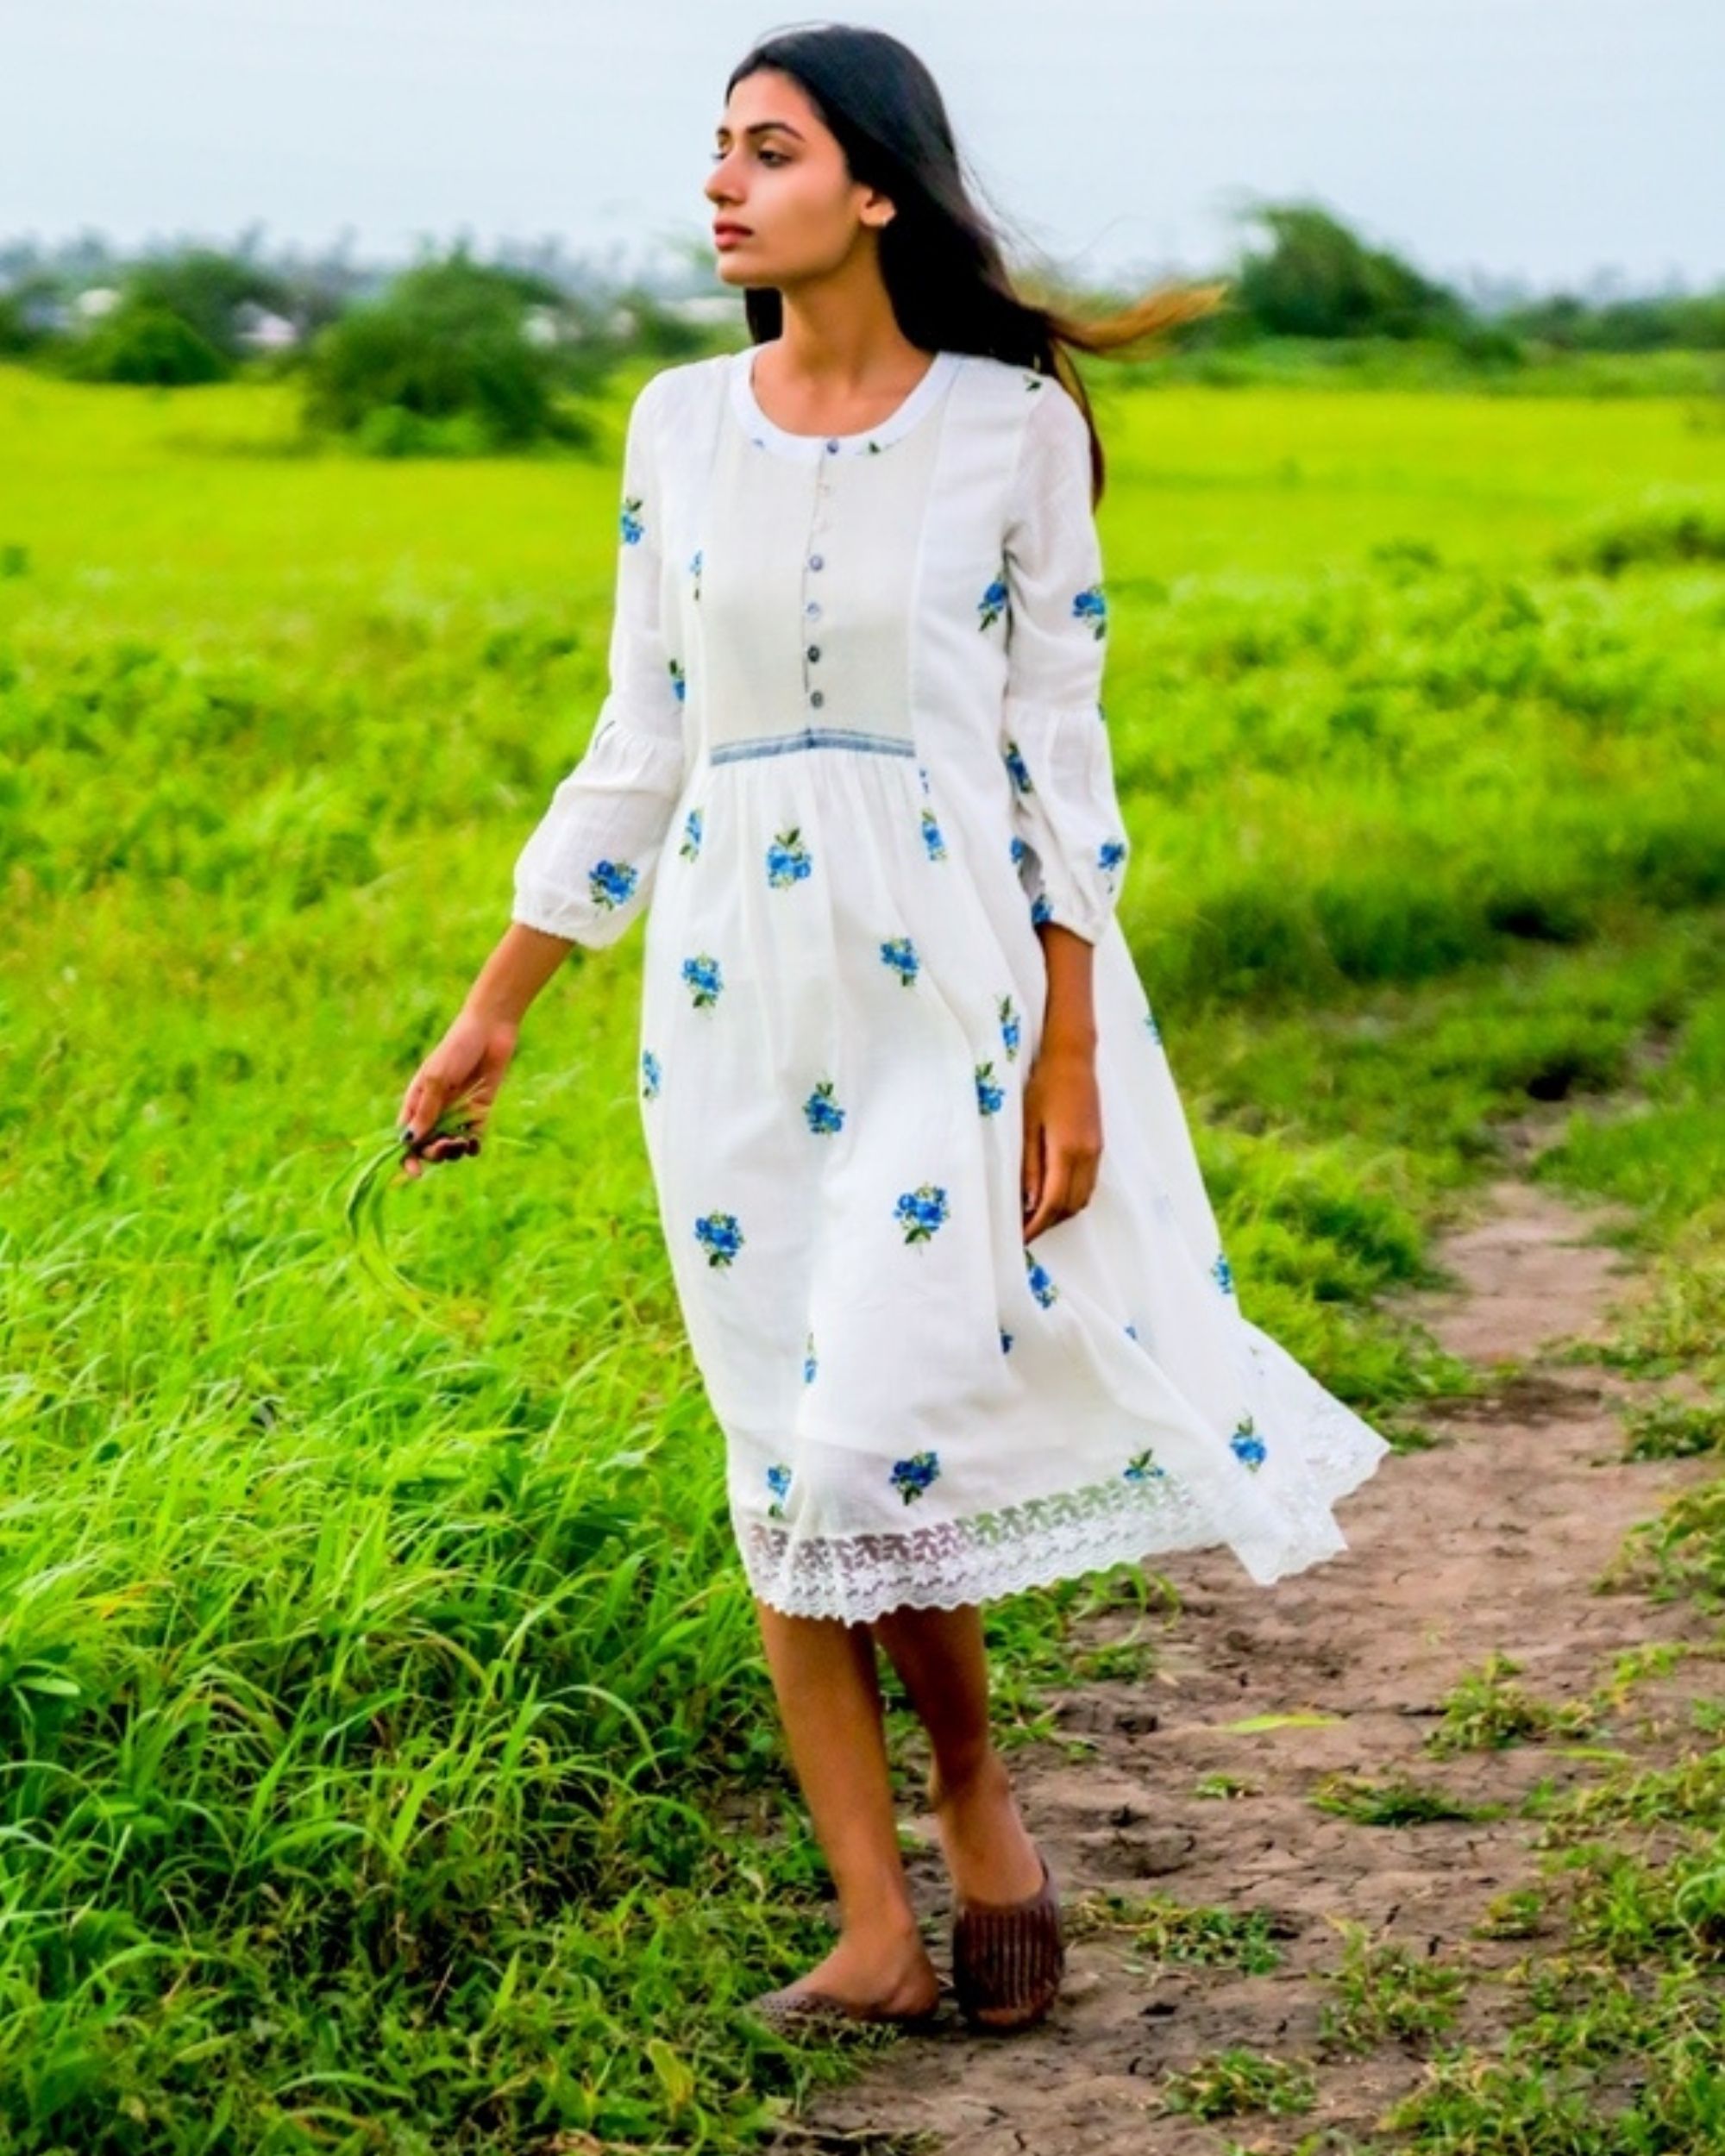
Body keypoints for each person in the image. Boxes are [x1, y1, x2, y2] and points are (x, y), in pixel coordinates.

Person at [396, 24, 1392, 2039]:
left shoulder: (1012, 429)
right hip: (728, 1004)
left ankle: (971, 1786)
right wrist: (500, 1001)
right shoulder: (676, 425)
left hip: (953, 979)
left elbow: (1057, 764)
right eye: (716, 153)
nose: (722, 186)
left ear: (874, 192)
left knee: (872, 1430)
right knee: (795, 1458)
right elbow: (636, 739)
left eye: (767, 152)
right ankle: (873, 1915)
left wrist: (1075, 1047)